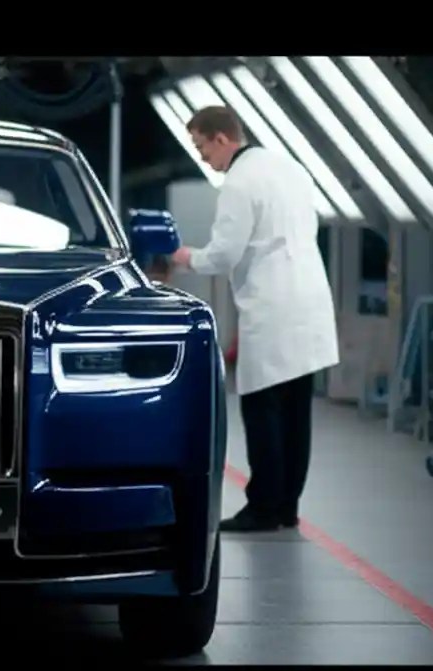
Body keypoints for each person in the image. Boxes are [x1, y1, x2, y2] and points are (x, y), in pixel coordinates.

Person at [168, 105, 340, 532]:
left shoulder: (239, 183)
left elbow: (225, 252)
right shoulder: (289, 168)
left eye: (202, 147)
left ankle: (263, 508)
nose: (203, 157)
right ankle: (286, 507)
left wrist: (189, 257)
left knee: (262, 408)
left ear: (222, 139)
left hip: (273, 305)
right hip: (310, 298)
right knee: (297, 410)